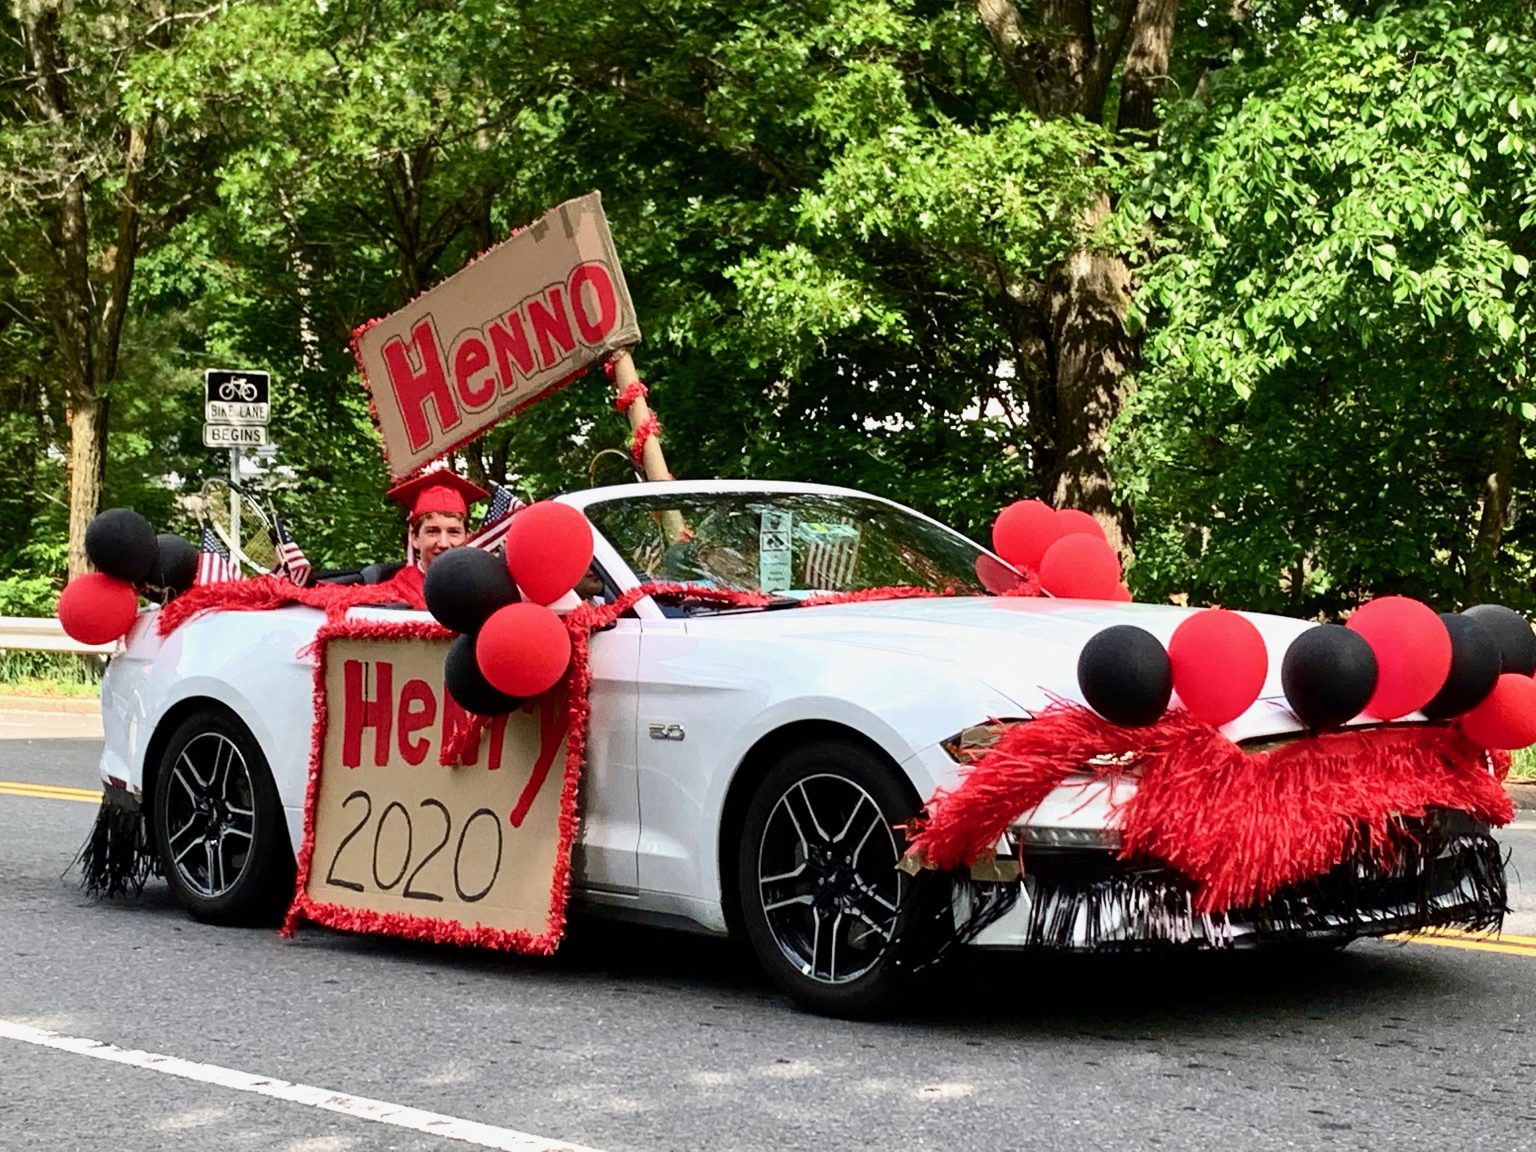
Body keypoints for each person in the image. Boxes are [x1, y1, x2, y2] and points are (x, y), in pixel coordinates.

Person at [377, 470, 491, 610]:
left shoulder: (484, 592)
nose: (443, 543)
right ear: (415, 538)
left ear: (467, 538)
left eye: (453, 532)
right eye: (433, 531)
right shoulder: (391, 595)